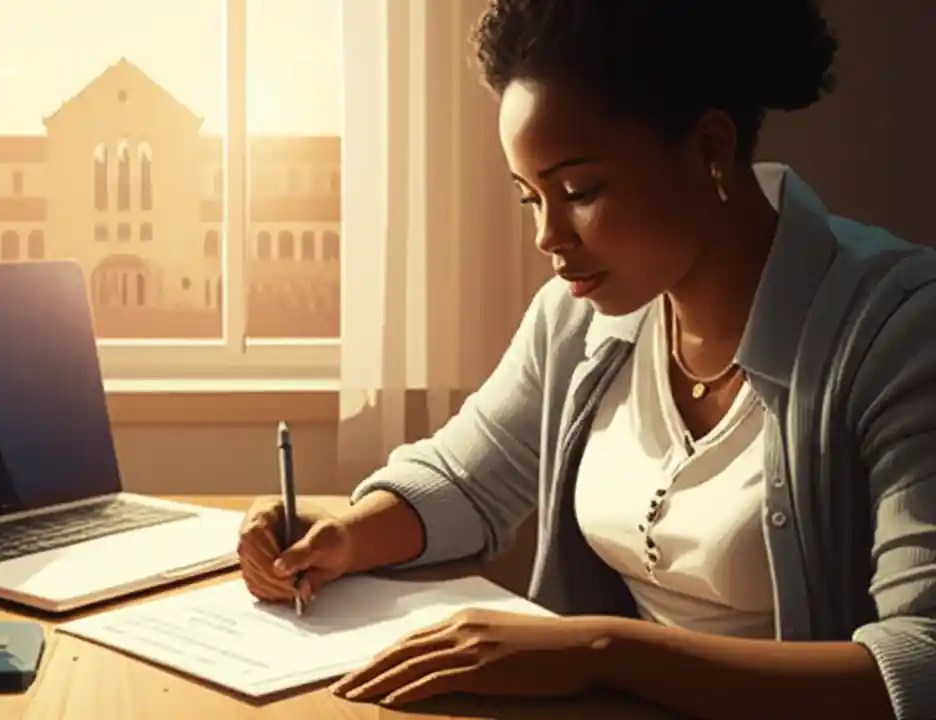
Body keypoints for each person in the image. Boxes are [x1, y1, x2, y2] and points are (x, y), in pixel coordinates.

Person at [236, 1, 936, 718]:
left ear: (710, 148)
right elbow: (467, 481)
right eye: (528, 197)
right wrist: (344, 537)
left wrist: (601, 652)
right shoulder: (579, 316)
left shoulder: (901, 329)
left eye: (579, 191)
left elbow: (921, 662)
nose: (546, 236)